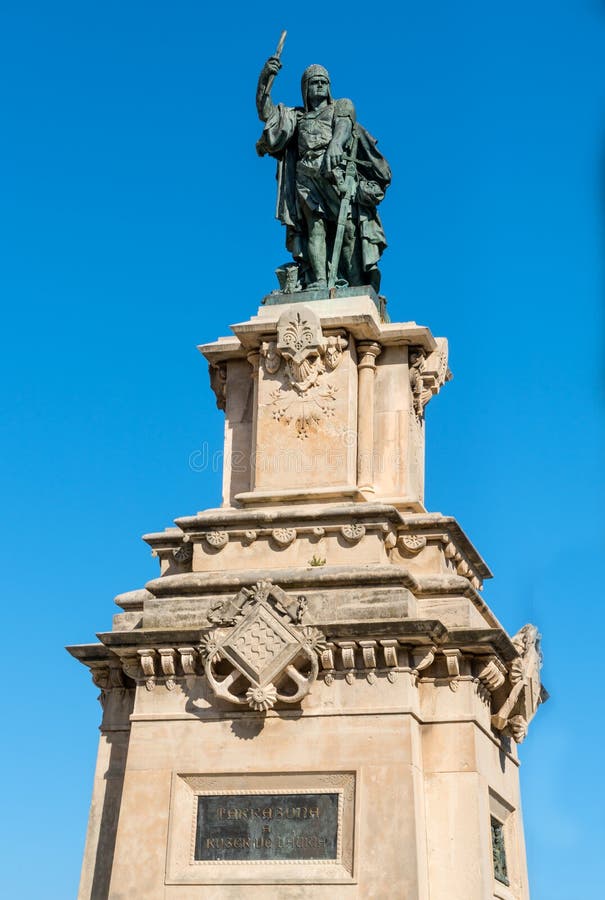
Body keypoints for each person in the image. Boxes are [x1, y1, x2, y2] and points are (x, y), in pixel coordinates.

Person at [256, 58, 391, 292]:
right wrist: (265, 78)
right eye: (313, 82)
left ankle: (357, 282)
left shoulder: (341, 105)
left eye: (323, 82)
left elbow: (344, 127)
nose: (319, 86)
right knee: (315, 226)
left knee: (348, 229)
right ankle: (319, 280)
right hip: (306, 175)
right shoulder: (295, 117)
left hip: (334, 173)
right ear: (305, 88)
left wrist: (336, 145)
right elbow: (267, 114)